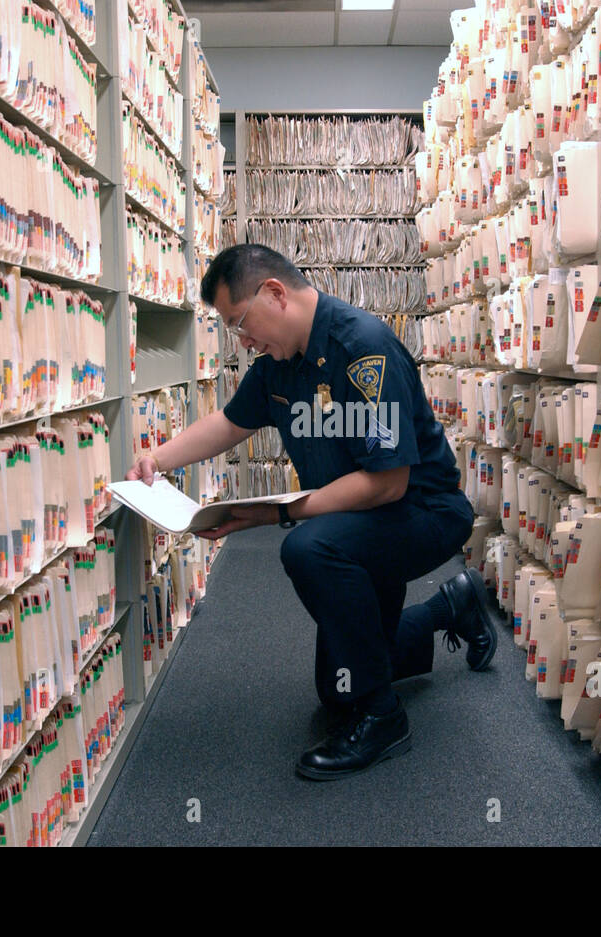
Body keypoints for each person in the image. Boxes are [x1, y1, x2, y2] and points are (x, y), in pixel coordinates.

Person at [126, 244, 497, 780]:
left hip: (423, 512)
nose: (243, 340)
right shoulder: (279, 363)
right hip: (359, 525)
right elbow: (230, 424)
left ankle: (383, 718)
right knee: (336, 687)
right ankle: (450, 608)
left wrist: (271, 514)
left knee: (308, 547)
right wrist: (155, 460)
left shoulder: (365, 348)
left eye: (240, 323)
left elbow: (387, 484)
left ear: (274, 294)